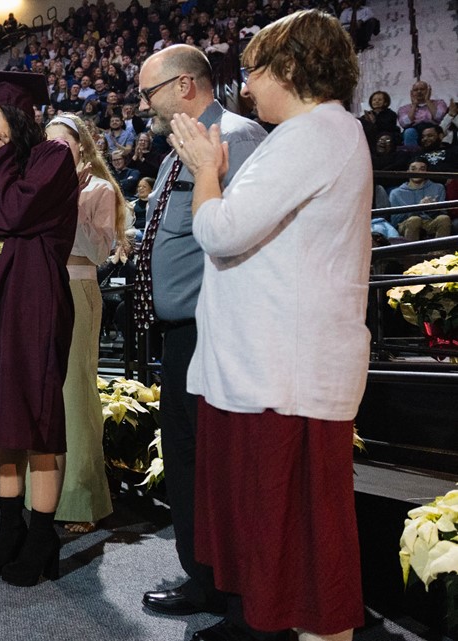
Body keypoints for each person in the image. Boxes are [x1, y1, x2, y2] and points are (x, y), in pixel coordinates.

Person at [169, 10, 369, 641]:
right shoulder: (310, 134)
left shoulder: (315, 134)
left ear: (289, 67)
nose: (247, 86)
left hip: (284, 376)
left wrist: (206, 172)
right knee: (278, 549)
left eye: (253, 70)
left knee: (303, 558)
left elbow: (220, 231)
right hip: (269, 371)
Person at [132, 44, 267, 629]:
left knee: (222, 469)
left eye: (150, 93)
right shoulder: (176, 153)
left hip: (217, 332)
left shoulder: (238, 137)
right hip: (180, 337)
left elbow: (246, 235)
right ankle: (205, 579)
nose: (144, 106)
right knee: (187, 464)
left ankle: (242, 598)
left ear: (185, 85)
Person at [0, 70, 80, 587]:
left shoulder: (54, 156)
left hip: (35, 293)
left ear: (17, 116)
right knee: (0, 413)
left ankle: (42, 535)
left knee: (35, 413)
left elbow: (13, 215)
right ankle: (11, 527)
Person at [43, 113, 132, 534]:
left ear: (81, 146)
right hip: (41, 291)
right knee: (45, 396)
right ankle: (43, 493)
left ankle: (82, 498)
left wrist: (63, 201)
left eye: (62, 144)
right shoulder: (40, 187)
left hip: (78, 289)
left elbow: (98, 252)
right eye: (48, 145)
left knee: (76, 394)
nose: (55, 152)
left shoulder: (99, 189)